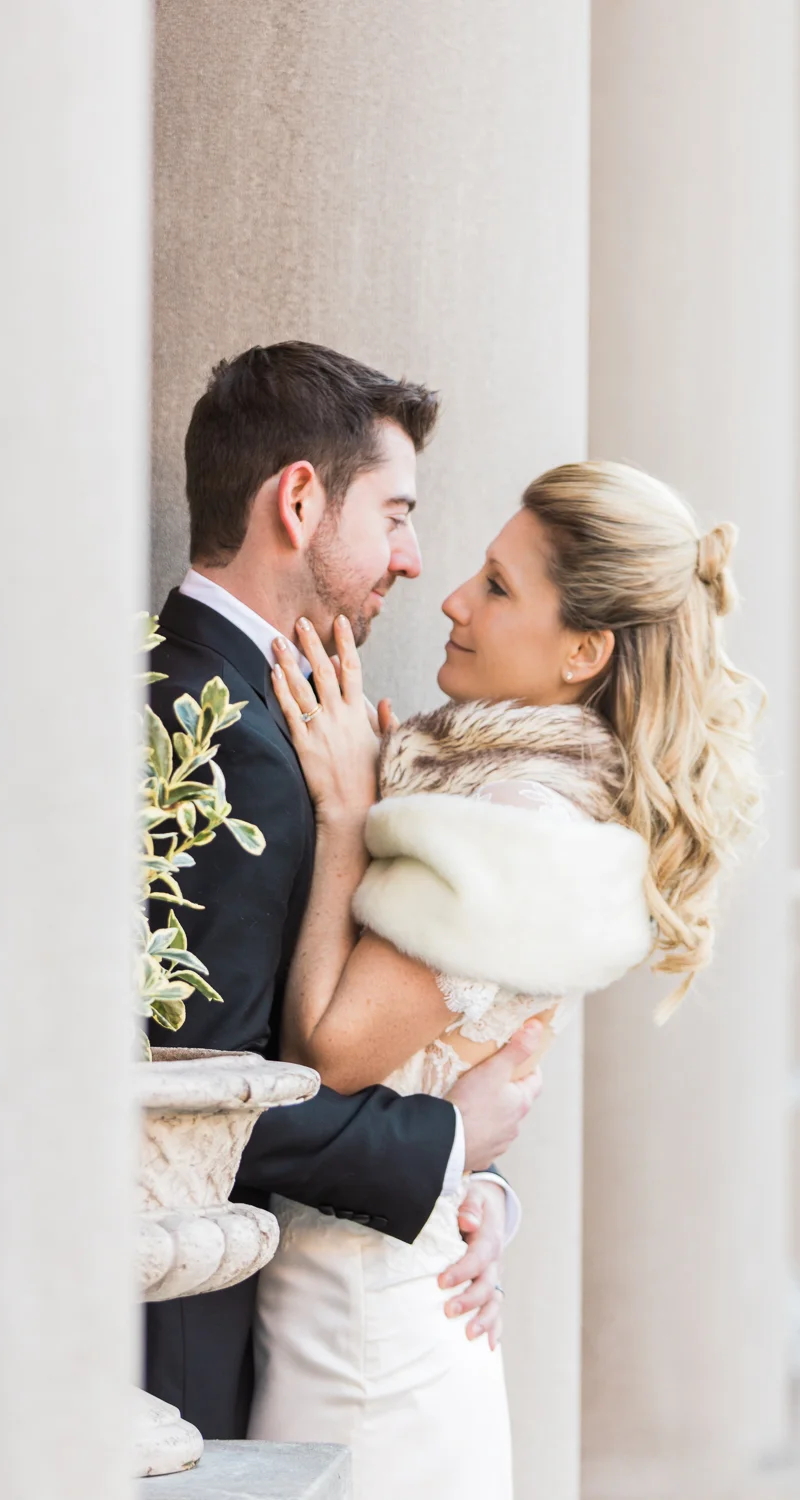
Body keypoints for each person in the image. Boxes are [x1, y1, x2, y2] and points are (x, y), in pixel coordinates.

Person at [251, 460, 761, 1499]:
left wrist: (350, 818)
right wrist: (475, 1179)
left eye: (495, 584)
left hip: (364, 1337)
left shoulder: (522, 823)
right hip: (373, 1289)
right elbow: (447, 1059)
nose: (449, 599)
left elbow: (332, 1051)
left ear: (584, 650)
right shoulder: (494, 791)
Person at [144, 342, 543, 1439]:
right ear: (300, 499)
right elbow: (198, 1092)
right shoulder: (222, 743)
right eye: (397, 514)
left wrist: (472, 1181)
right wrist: (442, 1145)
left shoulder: (262, 709)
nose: (414, 561)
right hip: (177, 1334)